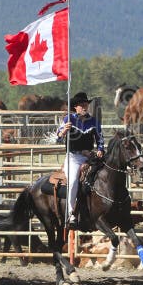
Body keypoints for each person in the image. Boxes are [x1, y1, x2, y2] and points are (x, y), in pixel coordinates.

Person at [56, 92, 104, 228]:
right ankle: (71, 213)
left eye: (86, 104)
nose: (85, 107)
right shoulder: (68, 120)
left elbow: (100, 139)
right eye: (82, 105)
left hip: (89, 158)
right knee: (72, 182)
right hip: (73, 157)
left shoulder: (93, 121)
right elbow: (58, 138)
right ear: (75, 107)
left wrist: (100, 149)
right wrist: (64, 131)